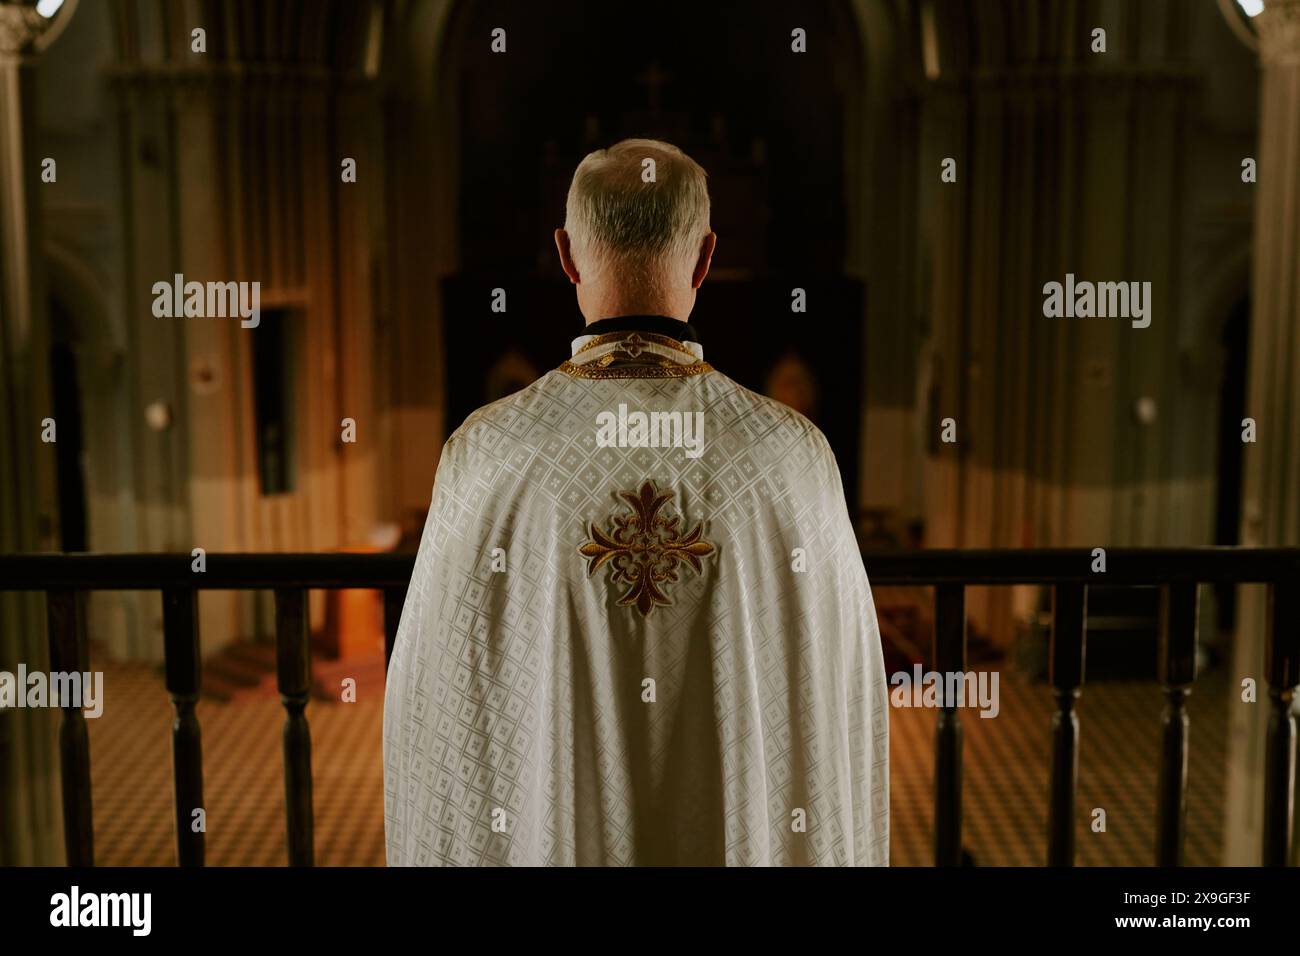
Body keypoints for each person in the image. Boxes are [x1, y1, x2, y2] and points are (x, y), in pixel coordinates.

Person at [383, 138, 888, 865]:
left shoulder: (483, 453)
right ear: (707, 257)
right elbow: (836, 699)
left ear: (566, 254)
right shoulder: (793, 456)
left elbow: (436, 702)